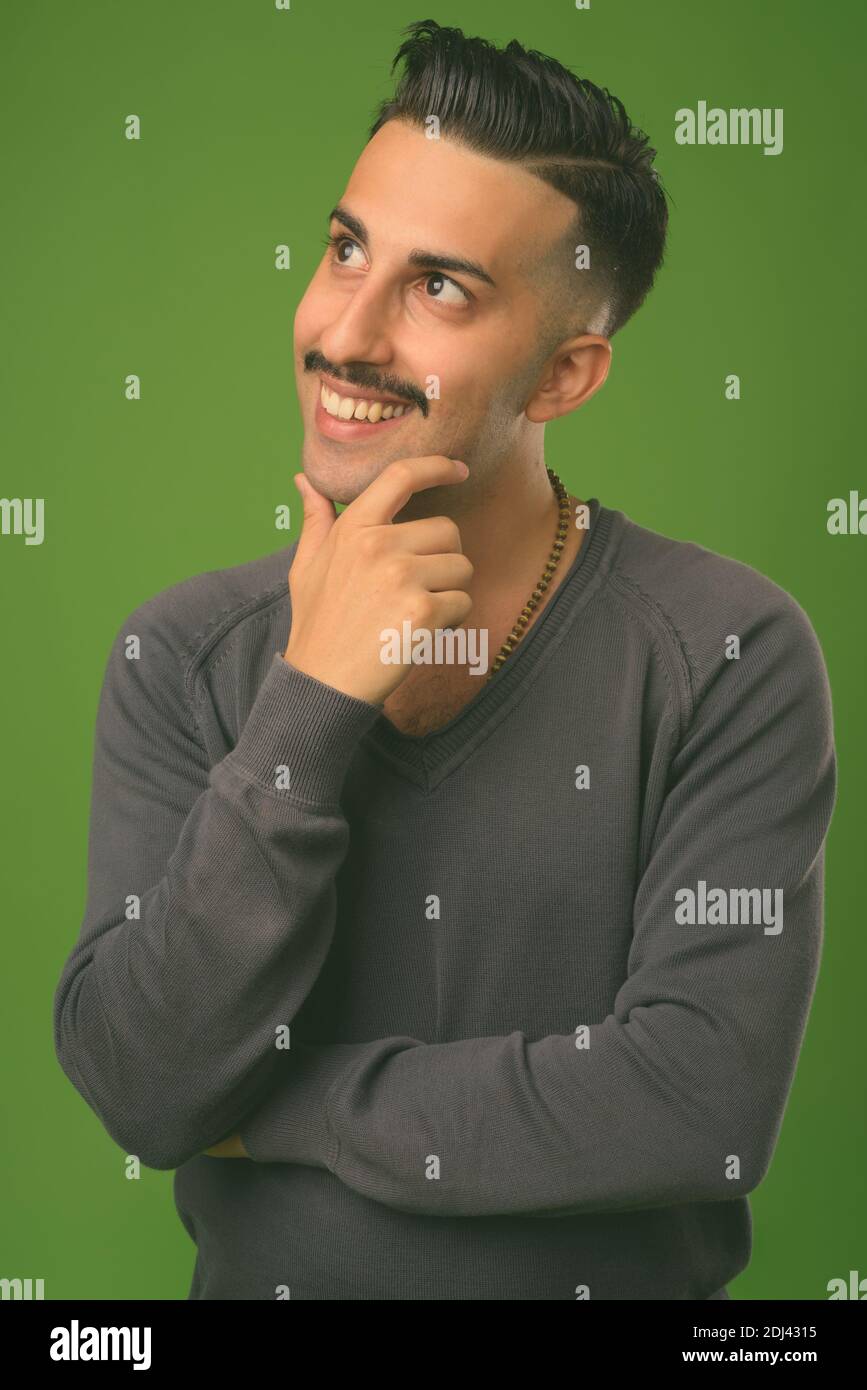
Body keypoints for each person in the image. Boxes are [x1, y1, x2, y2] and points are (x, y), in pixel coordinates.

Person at [53, 19, 836, 1300]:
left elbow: (699, 1102)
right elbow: (145, 1088)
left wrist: (281, 1111)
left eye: (439, 288)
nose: (344, 334)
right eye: (346, 249)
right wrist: (307, 707)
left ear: (567, 374)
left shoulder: (726, 653)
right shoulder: (184, 656)